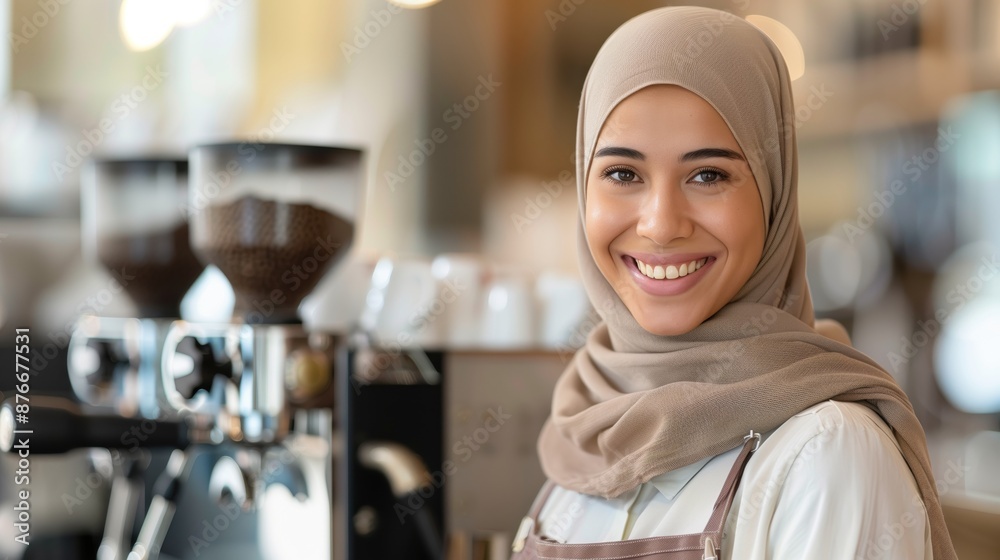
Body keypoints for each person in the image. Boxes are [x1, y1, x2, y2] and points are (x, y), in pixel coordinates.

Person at [510, 6, 958, 560]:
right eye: (623, 174)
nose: (661, 224)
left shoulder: (828, 452)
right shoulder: (582, 433)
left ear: (772, 192)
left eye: (708, 175)